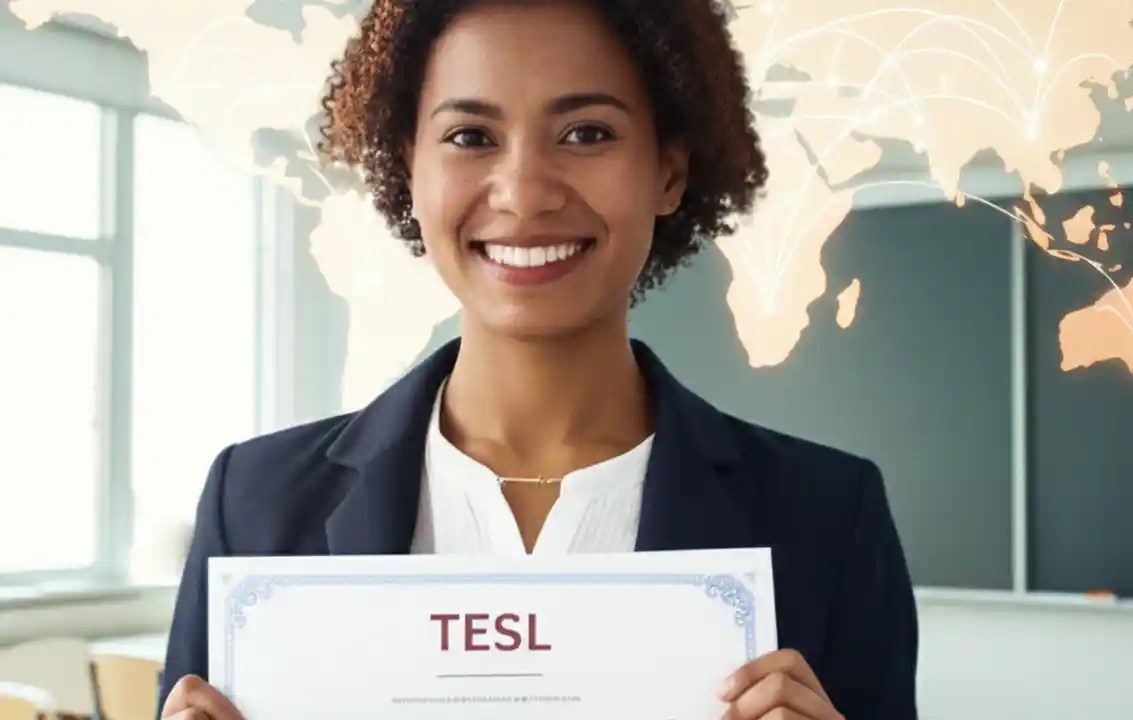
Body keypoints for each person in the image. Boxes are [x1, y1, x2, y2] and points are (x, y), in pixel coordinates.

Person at [157, 0, 918, 717]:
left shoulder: (828, 519)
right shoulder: (251, 504)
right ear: (409, 168)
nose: (523, 193)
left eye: (587, 133)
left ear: (669, 173)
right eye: (470, 137)